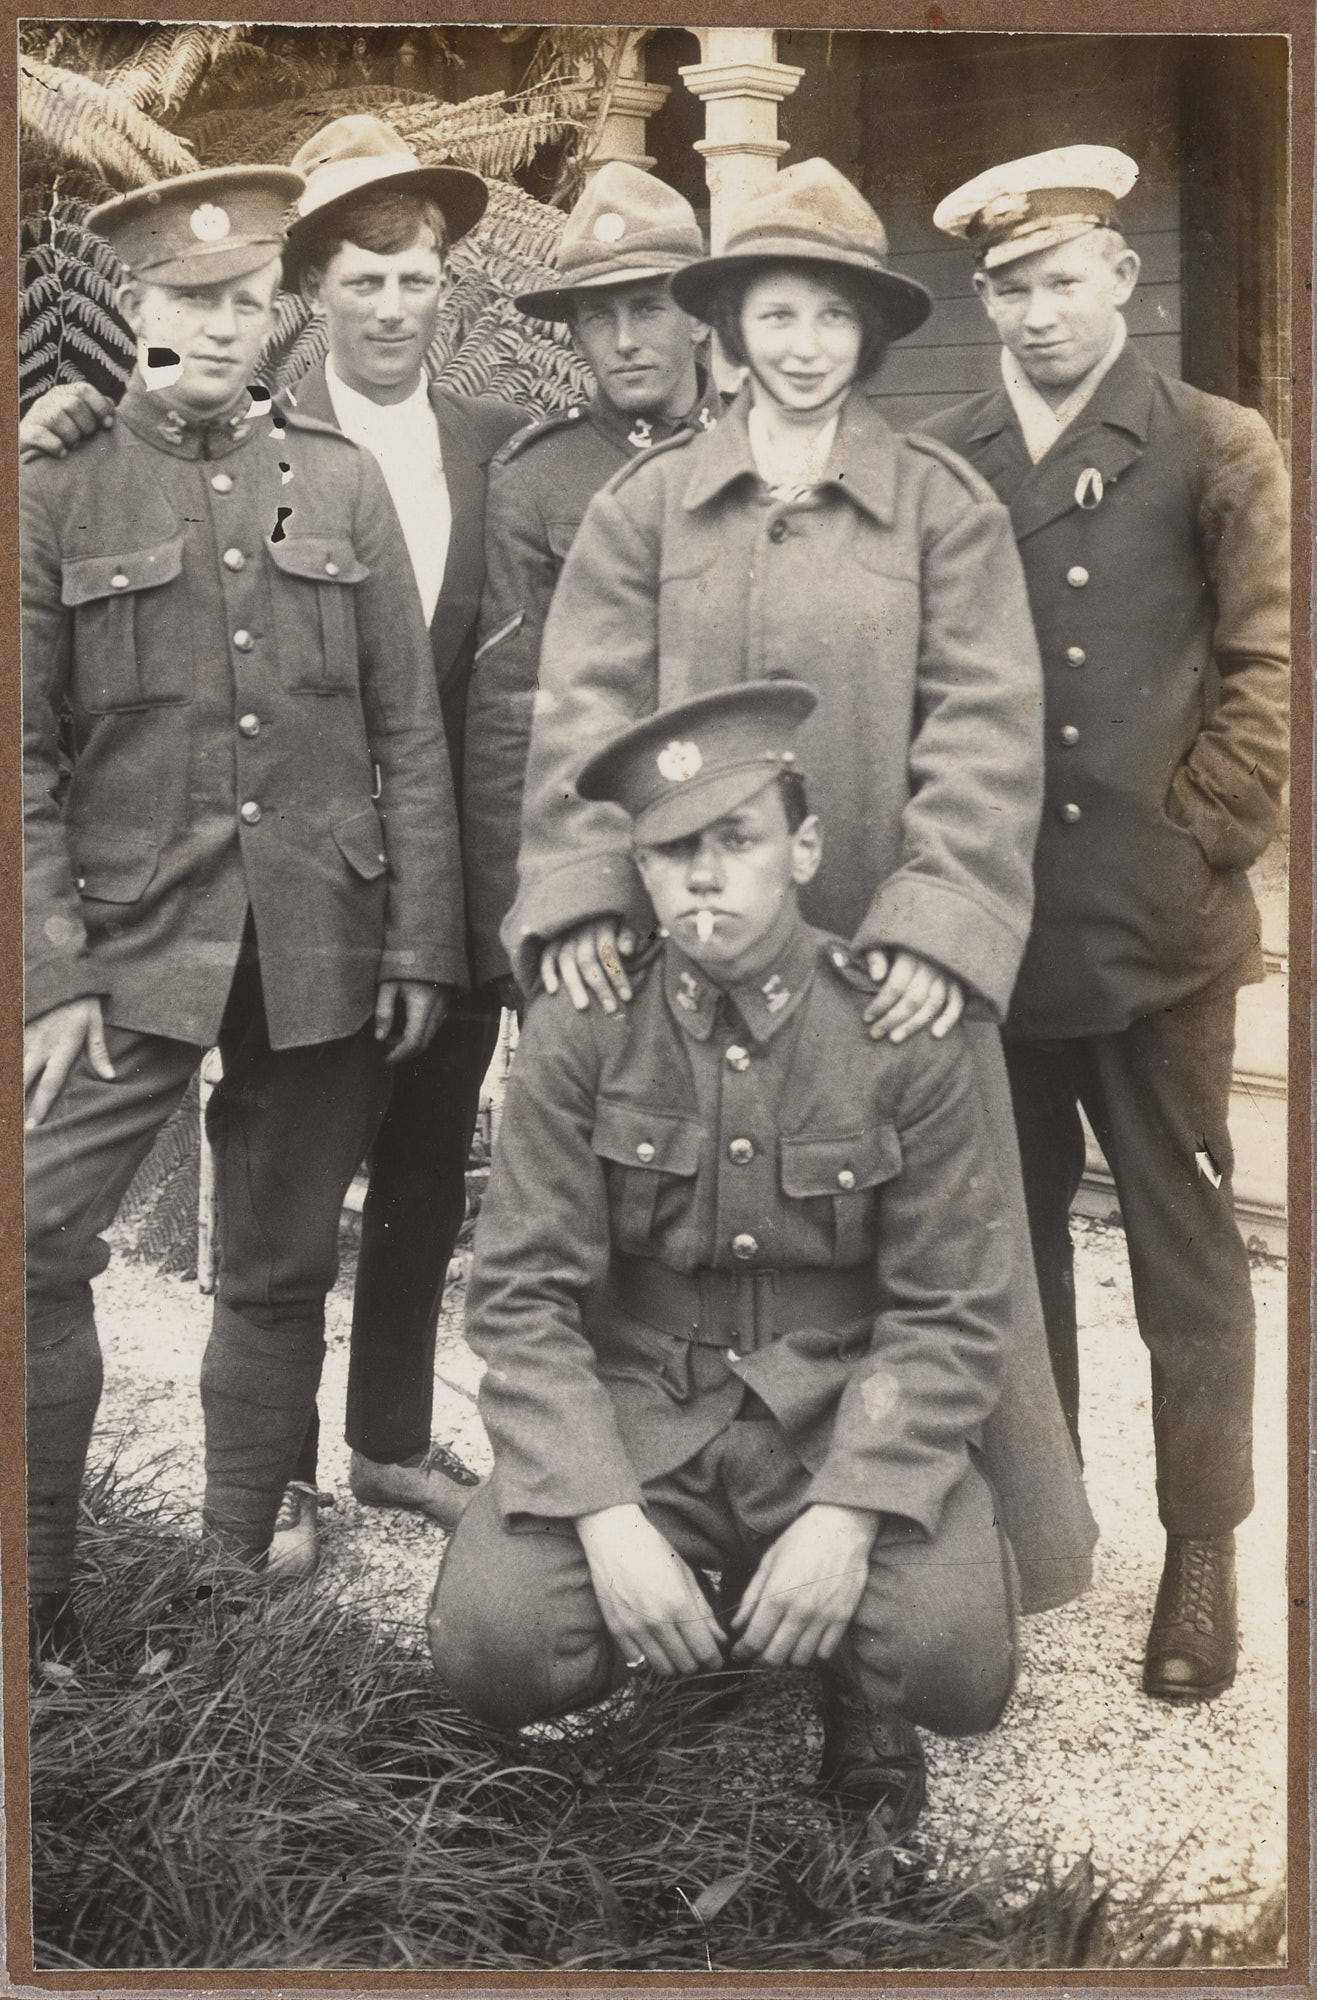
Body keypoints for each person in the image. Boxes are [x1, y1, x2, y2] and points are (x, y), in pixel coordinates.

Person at [502, 158, 1097, 1614]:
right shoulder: (647, 507)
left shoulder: (938, 507)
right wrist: (584, 896)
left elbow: (983, 723)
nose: (804, 344)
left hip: (878, 958)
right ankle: (680, 1525)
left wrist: (939, 926)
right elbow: (578, 710)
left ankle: (915, 1579)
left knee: (923, 1255)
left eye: (833, 316)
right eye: (776, 311)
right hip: (683, 943)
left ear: (868, 335)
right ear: (730, 325)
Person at [21, 117, 527, 1570]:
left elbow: (403, 734)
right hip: (127, 943)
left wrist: (422, 936)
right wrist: (51, 973)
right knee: (36, 1243)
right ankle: (39, 1599)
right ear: (139, 309)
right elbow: (26, 754)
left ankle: (239, 1573)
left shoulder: (340, 478)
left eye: (244, 304)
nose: (220, 326)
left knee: (284, 1262)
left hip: (323, 939)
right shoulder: (54, 483)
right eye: (189, 303)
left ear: (273, 315)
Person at [431, 679, 1039, 1844]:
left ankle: (858, 1682)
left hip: (836, 1409)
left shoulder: (895, 1026)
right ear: (642, 874)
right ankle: (667, 1609)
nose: (704, 874)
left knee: (956, 1659)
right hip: (644, 1409)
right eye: (671, 852)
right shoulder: (584, 1025)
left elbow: (954, 1308)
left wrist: (853, 1512)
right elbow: (518, 1300)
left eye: (737, 839)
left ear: (802, 848)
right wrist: (606, 1518)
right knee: (496, 1644)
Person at [923, 146, 1290, 1702]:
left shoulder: (1216, 442)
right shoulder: (951, 457)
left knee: (1183, 1255)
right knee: (1007, 1258)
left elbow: (1271, 669)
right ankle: (1036, 1535)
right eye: (1009, 290)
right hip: (1004, 937)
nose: (1037, 312)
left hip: (1158, 943)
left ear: (1120, 279)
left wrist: (1197, 841)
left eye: (1063, 279)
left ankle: (1201, 1551)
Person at [462, 162, 722, 993]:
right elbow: (510, 718)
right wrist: (534, 908)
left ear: (699, 321)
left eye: (648, 308)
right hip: (589, 873)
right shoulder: (536, 475)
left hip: (737, 859)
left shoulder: (755, 451)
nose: (624, 339)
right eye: (597, 316)